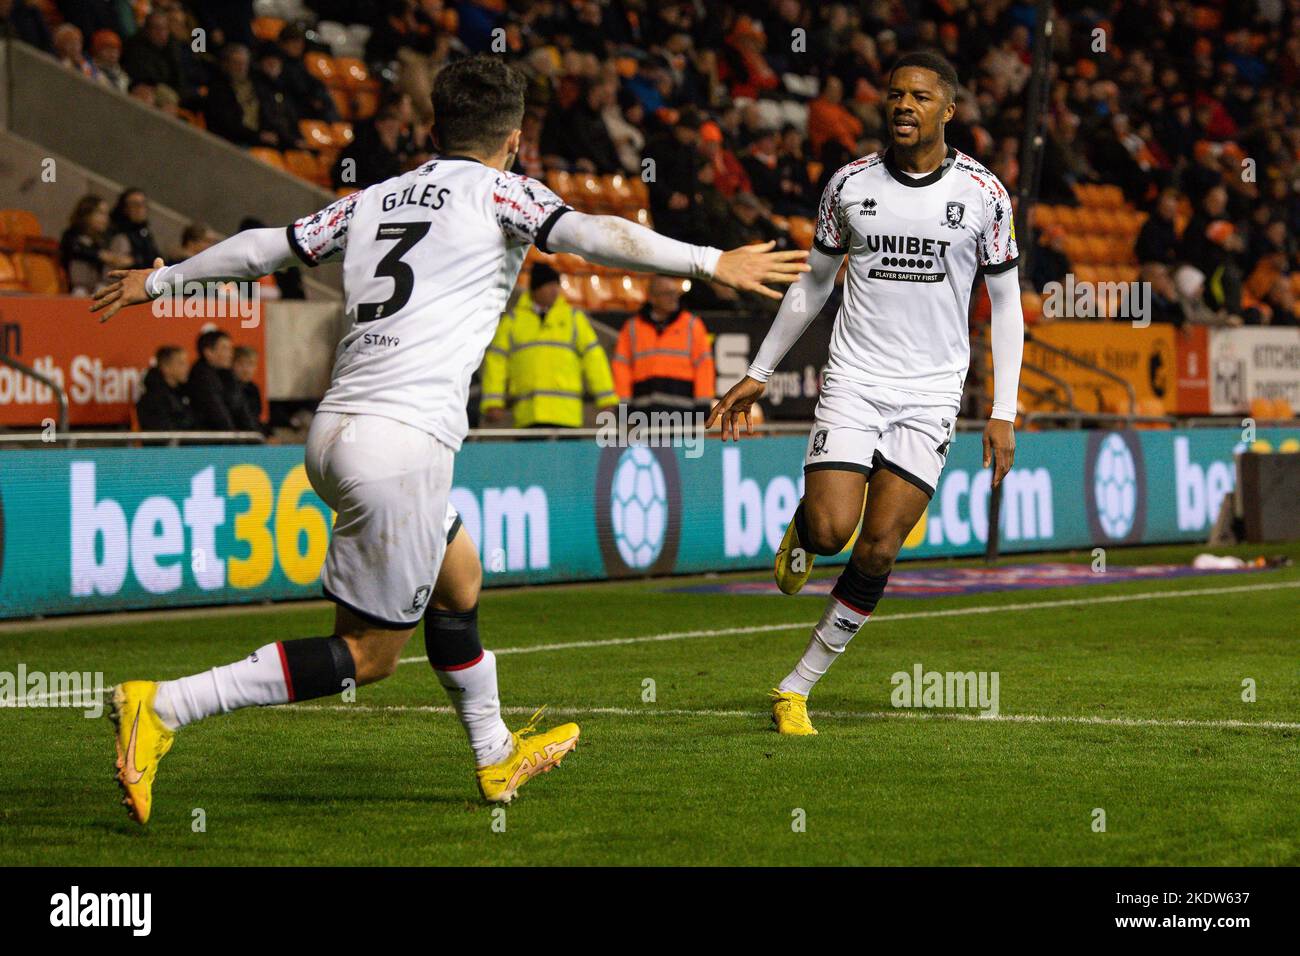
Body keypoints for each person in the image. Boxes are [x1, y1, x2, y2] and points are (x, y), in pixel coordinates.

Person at [91, 54, 806, 823]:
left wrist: (159, 281)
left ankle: (496, 755)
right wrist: (711, 260)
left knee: (458, 577)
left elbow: (266, 247)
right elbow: (591, 234)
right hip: (400, 445)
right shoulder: (504, 192)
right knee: (369, 656)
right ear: (517, 138)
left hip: (337, 431)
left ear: (434, 128)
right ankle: (163, 706)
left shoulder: (370, 200)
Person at [709, 52, 1023, 736]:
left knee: (879, 547)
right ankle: (804, 527)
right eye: (894, 95)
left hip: (932, 393)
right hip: (855, 379)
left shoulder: (983, 193)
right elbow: (815, 282)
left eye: (919, 96)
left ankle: (796, 687)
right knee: (830, 530)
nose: (903, 105)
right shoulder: (849, 184)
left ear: (949, 109)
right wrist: (760, 370)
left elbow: (1006, 304)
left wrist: (1002, 411)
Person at [479, 262, 618, 427]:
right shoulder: (512, 322)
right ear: (536, 288)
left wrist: (606, 399)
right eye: (549, 285)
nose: (555, 290)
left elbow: (594, 359)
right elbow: (496, 363)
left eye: (556, 285)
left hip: (567, 416)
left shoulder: (574, 319)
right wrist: (493, 402)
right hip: (527, 416)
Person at [612, 274, 717, 417]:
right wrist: (623, 405)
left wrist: (703, 404)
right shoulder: (632, 328)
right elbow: (621, 367)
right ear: (652, 297)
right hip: (643, 413)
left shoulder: (692, 325)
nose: (673, 298)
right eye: (667, 293)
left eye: (675, 293)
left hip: (683, 413)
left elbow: (704, 365)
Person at [185, 329, 258, 432]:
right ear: (209, 352)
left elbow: (242, 410)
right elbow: (217, 415)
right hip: (211, 443)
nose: (230, 354)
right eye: (225, 349)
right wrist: (235, 440)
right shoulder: (201, 378)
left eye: (230, 349)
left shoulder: (226, 374)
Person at [59, 195, 132, 296]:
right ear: (87, 214)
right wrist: (100, 254)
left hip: (100, 282)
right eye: (100, 213)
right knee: (80, 259)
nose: (105, 219)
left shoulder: (106, 236)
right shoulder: (72, 234)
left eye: (106, 214)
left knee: (121, 240)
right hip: (78, 283)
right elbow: (74, 249)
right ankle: (81, 289)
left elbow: (117, 256)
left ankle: (104, 286)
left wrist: (126, 259)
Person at [135, 345, 194, 431]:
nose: (187, 367)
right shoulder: (153, 399)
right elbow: (162, 433)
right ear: (165, 367)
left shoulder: (182, 393)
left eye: (186, 363)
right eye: (181, 363)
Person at [107, 188, 162, 270]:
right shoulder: (118, 234)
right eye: (135, 205)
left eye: (143, 204)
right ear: (125, 208)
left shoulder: (144, 233)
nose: (140, 209)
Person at [231, 345, 265, 432]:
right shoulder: (226, 388)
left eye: (251, 364)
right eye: (241, 363)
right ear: (231, 364)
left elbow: (256, 418)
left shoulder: (253, 389)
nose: (246, 369)